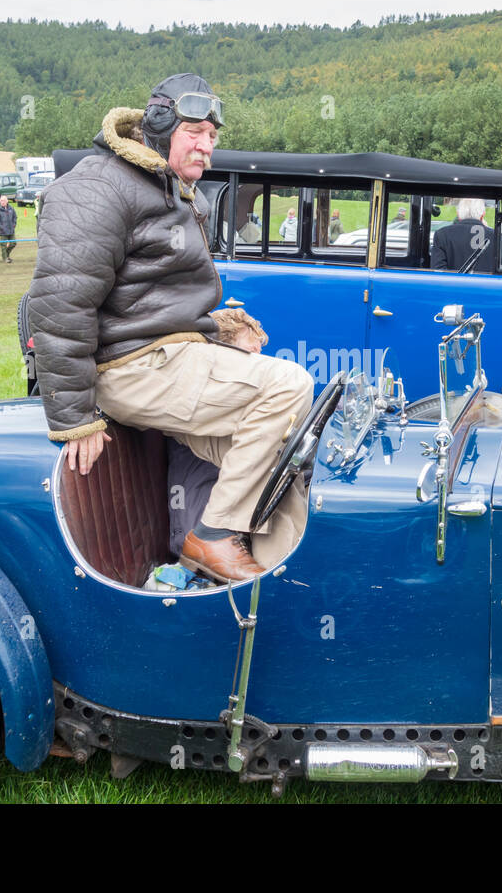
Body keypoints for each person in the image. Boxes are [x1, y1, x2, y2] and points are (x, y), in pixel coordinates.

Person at [27, 72, 314, 582]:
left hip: (166, 357)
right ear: (157, 127)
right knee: (290, 385)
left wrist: (220, 331)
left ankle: (272, 581)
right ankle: (214, 537)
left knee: (286, 457)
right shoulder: (97, 188)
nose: (206, 147)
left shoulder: (174, 191)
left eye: (212, 136)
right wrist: (73, 417)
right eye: (195, 132)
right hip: (130, 368)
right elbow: (59, 305)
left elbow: (153, 299)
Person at [167, 308, 268, 557]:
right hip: (198, 531)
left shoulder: (238, 387)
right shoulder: (207, 392)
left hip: (224, 505)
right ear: (223, 350)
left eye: (259, 351)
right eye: (251, 349)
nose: (258, 356)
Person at [432, 198, 492, 272]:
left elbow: (438, 271)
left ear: (458, 215)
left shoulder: (441, 235)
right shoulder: (498, 237)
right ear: (482, 215)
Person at [0, 195, 17, 263]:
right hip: (3, 231)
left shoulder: (11, 208)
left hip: (11, 230)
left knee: (13, 243)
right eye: (1, 200)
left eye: (4, 200)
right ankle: (5, 258)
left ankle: (6, 255)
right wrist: (2, 228)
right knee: (3, 245)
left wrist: (14, 225)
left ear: (7, 201)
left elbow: (15, 217)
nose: (2, 202)